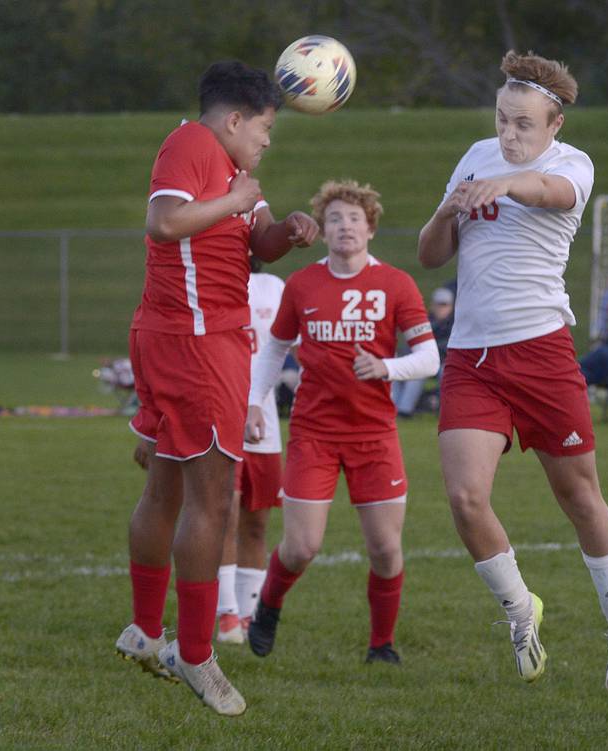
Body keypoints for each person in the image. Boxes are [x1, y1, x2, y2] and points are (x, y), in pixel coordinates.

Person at [417, 50, 608, 697]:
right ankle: (520, 610)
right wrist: (447, 210)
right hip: (473, 358)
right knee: (465, 498)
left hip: (542, 353)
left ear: (554, 125)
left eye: (523, 124)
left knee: (579, 496)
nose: (509, 134)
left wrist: (507, 184)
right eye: (502, 119)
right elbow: (431, 254)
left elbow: (552, 194)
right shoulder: (475, 156)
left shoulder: (572, 164)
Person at [115, 60, 318, 717]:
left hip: (184, 336)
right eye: (264, 129)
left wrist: (288, 229)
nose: (267, 141)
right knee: (213, 501)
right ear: (234, 120)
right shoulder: (193, 145)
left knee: (166, 486)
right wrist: (235, 200)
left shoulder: (230, 166)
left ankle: (146, 630)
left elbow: (259, 241)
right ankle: (196, 653)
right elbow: (165, 222)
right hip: (198, 343)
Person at [246, 180, 440, 665]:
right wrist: (254, 401)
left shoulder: (396, 283)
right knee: (301, 547)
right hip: (314, 434)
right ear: (324, 230)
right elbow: (275, 348)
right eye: (334, 219)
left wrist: (386, 368)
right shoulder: (302, 284)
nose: (345, 226)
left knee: (385, 549)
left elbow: (429, 357)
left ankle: (381, 646)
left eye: (354, 218)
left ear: (370, 229)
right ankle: (268, 604)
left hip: (375, 435)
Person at [215, 254, 286, 645]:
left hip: (264, 425)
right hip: (220, 418)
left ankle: (248, 614)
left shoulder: (274, 287)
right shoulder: (209, 284)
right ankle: (225, 613)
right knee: (224, 514)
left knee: (256, 523)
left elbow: (297, 344)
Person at [392, 285, 454, 417]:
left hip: (444, 363)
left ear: (451, 306)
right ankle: (402, 411)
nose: (441, 308)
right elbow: (411, 343)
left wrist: (430, 349)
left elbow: (449, 347)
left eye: (445, 305)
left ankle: (447, 412)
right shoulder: (424, 322)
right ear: (432, 305)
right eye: (439, 304)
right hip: (425, 361)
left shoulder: (455, 324)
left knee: (447, 374)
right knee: (411, 372)